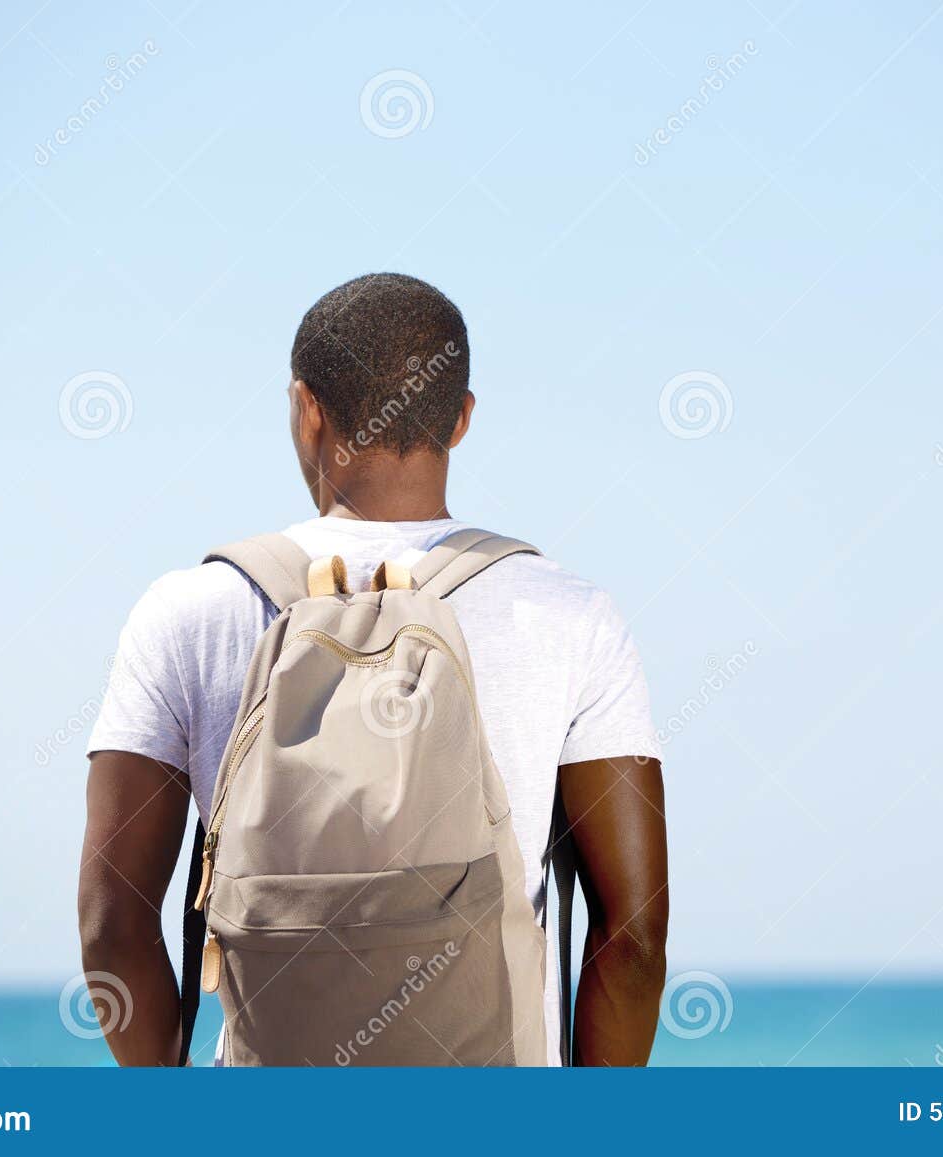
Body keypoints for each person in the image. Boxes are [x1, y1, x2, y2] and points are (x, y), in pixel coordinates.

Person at [78, 272, 668, 1066]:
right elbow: (632, 936)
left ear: (306, 407)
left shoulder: (188, 609)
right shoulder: (569, 613)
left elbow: (112, 923)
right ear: (461, 419)